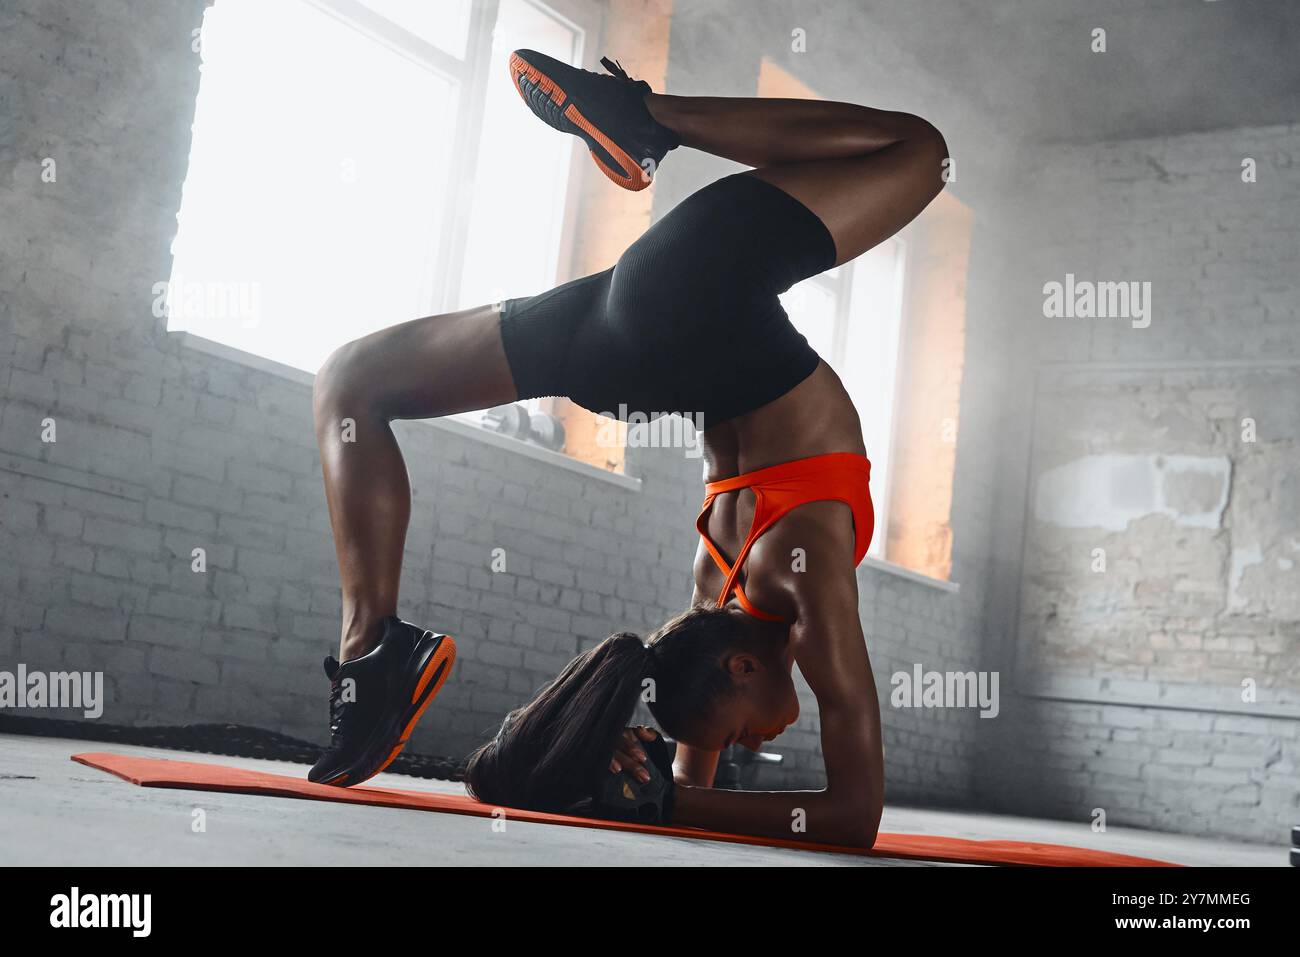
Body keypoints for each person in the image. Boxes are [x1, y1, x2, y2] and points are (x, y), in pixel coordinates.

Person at [310, 49, 948, 847]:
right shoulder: (713, 586)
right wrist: (651, 798)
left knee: (923, 153)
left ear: (741, 668)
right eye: (739, 740)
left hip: (687, 302)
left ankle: (643, 116)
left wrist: (651, 797)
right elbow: (691, 791)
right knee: (352, 382)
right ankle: (369, 653)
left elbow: (853, 819)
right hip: (632, 348)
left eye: (737, 737)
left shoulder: (800, 579)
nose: (755, 745)